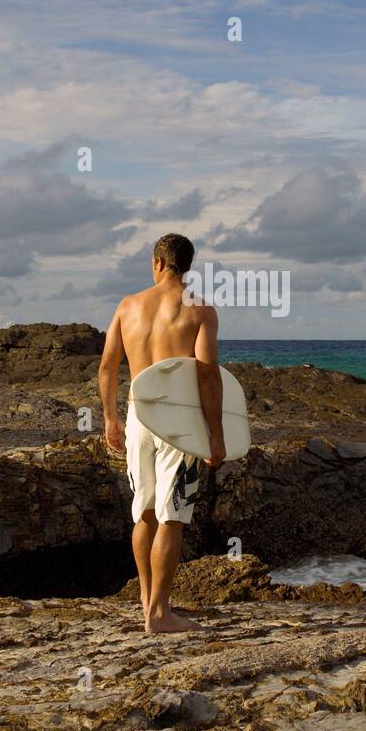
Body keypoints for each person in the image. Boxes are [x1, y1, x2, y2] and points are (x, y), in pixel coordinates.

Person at [99, 234, 225, 633]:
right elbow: (206, 374)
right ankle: (160, 612)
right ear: (186, 265)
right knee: (172, 518)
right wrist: (215, 433)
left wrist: (110, 418)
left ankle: (146, 602)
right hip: (179, 423)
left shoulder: (127, 306)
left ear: (157, 262)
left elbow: (107, 366)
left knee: (145, 512)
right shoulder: (200, 310)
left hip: (138, 417)